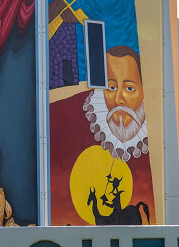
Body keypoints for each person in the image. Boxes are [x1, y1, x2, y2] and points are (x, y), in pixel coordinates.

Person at [49, 45, 154, 225]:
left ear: (144, 89)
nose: (119, 99)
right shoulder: (71, 114)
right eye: (111, 87)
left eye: (129, 89)